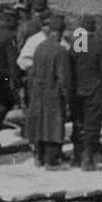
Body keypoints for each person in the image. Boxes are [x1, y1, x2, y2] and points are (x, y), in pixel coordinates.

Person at [25, 14, 72, 168]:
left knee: (39, 124)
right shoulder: (61, 51)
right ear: (60, 32)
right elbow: (63, 78)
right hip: (53, 93)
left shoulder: (39, 47)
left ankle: (38, 157)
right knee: (53, 126)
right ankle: (51, 160)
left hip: (38, 92)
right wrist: (69, 98)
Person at [69, 15, 102, 171]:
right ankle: (87, 158)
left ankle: (76, 156)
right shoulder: (97, 44)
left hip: (78, 90)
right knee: (92, 124)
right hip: (94, 89)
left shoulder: (77, 43)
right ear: (93, 28)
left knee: (78, 122)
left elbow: (74, 65)